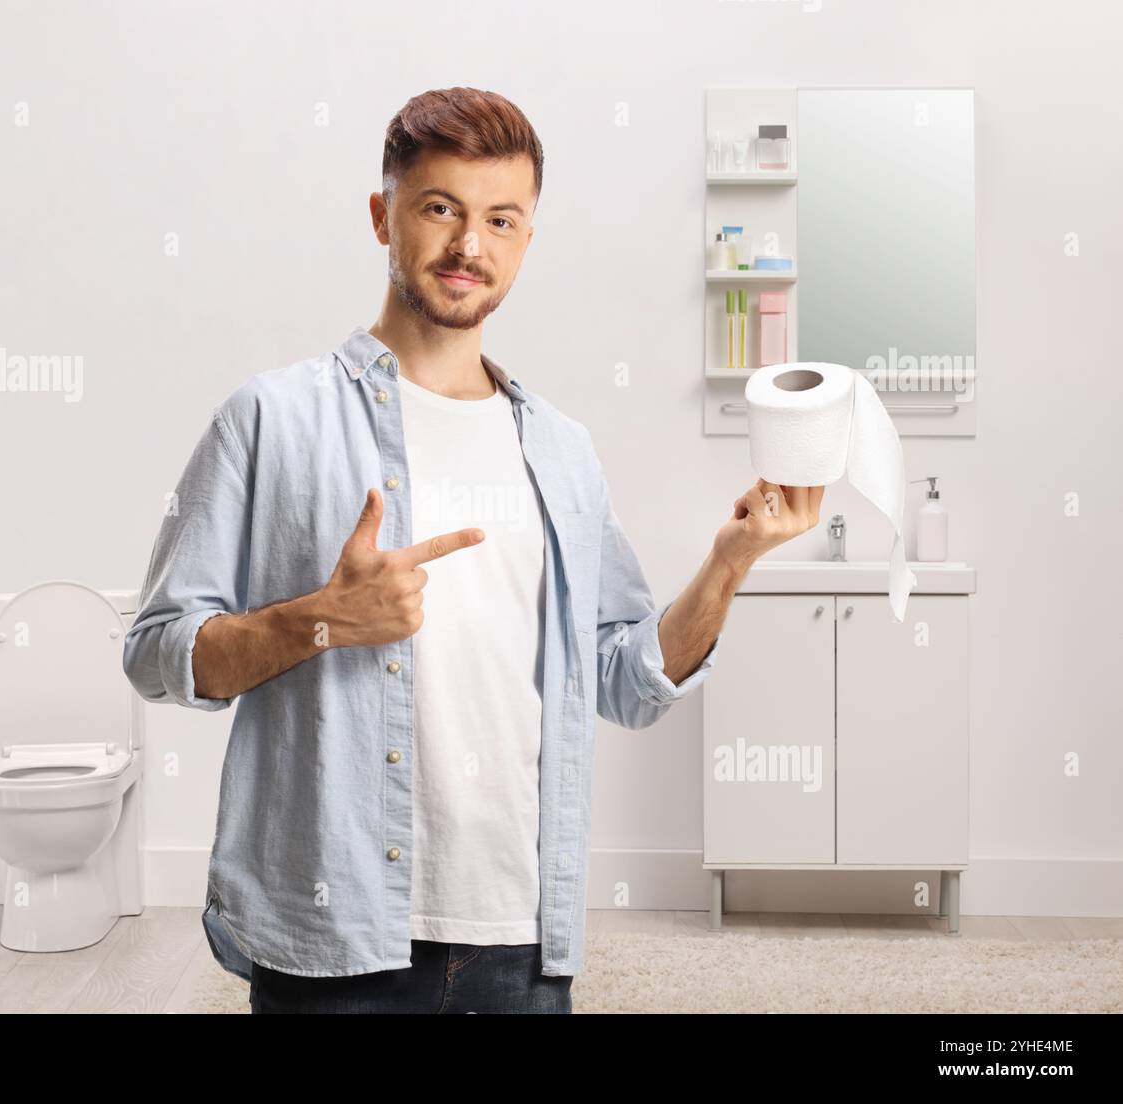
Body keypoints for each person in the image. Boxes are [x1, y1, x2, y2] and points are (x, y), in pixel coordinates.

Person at [122, 86, 823, 1014]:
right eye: (440, 208)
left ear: (528, 239)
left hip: (521, 936)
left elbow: (625, 678)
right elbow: (156, 651)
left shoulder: (561, 450)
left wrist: (731, 560)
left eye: (501, 219)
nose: (469, 246)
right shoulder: (272, 418)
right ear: (384, 215)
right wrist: (320, 621)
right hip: (336, 936)